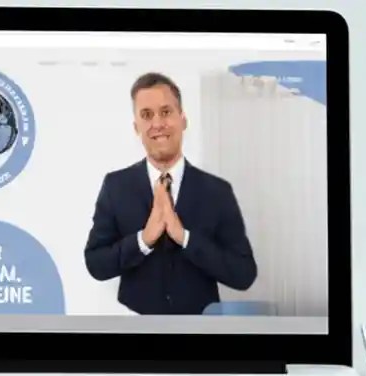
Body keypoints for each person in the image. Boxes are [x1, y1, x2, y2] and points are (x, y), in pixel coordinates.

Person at [84, 72, 257, 315]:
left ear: (183, 119)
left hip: (199, 332)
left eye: (166, 112)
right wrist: (143, 240)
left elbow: (244, 274)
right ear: (137, 127)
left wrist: (184, 237)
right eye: (147, 115)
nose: (157, 124)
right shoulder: (116, 186)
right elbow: (96, 264)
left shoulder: (217, 192)